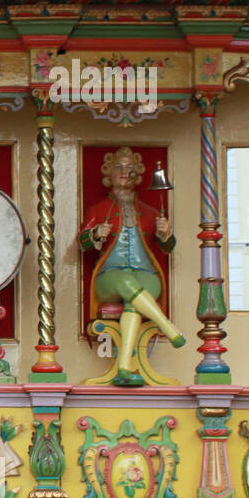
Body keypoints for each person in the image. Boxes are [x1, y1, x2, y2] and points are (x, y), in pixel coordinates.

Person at [79, 147, 185, 386]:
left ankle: (124, 365)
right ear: (109, 173)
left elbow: (168, 248)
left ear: (137, 174)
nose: (124, 172)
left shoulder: (150, 213)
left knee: (134, 297)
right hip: (110, 277)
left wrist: (165, 233)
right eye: (119, 167)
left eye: (130, 168)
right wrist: (96, 233)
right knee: (127, 283)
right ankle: (166, 325)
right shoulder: (97, 210)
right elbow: (83, 243)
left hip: (146, 273)